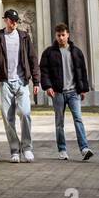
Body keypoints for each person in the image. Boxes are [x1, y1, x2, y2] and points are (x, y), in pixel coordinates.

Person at [0, 8, 40, 162]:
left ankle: (27, 148)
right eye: (12, 20)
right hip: (5, 83)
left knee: (25, 113)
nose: (14, 23)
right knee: (8, 118)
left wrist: (36, 81)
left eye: (16, 21)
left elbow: (32, 58)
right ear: (6, 20)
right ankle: (15, 150)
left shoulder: (24, 37)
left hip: (22, 82)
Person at [39, 23, 94, 161]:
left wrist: (82, 89)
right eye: (58, 35)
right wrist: (48, 87)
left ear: (68, 35)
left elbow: (82, 71)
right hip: (58, 93)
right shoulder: (49, 53)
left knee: (78, 119)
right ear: (55, 36)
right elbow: (44, 71)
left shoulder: (76, 52)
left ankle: (84, 148)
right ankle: (62, 150)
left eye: (63, 35)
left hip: (74, 92)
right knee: (59, 122)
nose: (61, 38)